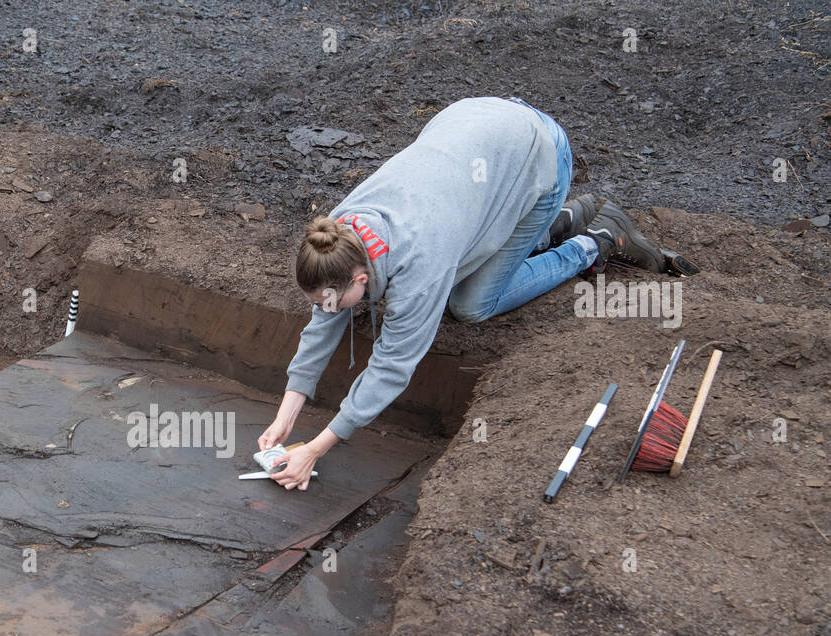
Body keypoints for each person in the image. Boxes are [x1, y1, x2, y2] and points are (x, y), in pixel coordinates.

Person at [259, 95, 693, 490]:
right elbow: (322, 328)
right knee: (476, 247)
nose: (327, 310)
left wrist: (315, 449)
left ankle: (593, 240)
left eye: (331, 300)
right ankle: (560, 222)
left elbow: (391, 367)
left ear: (360, 279)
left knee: (469, 303)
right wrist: (285, 418)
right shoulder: (337, 235)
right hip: (479, 132)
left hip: (539, 153)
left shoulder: (420, 264)